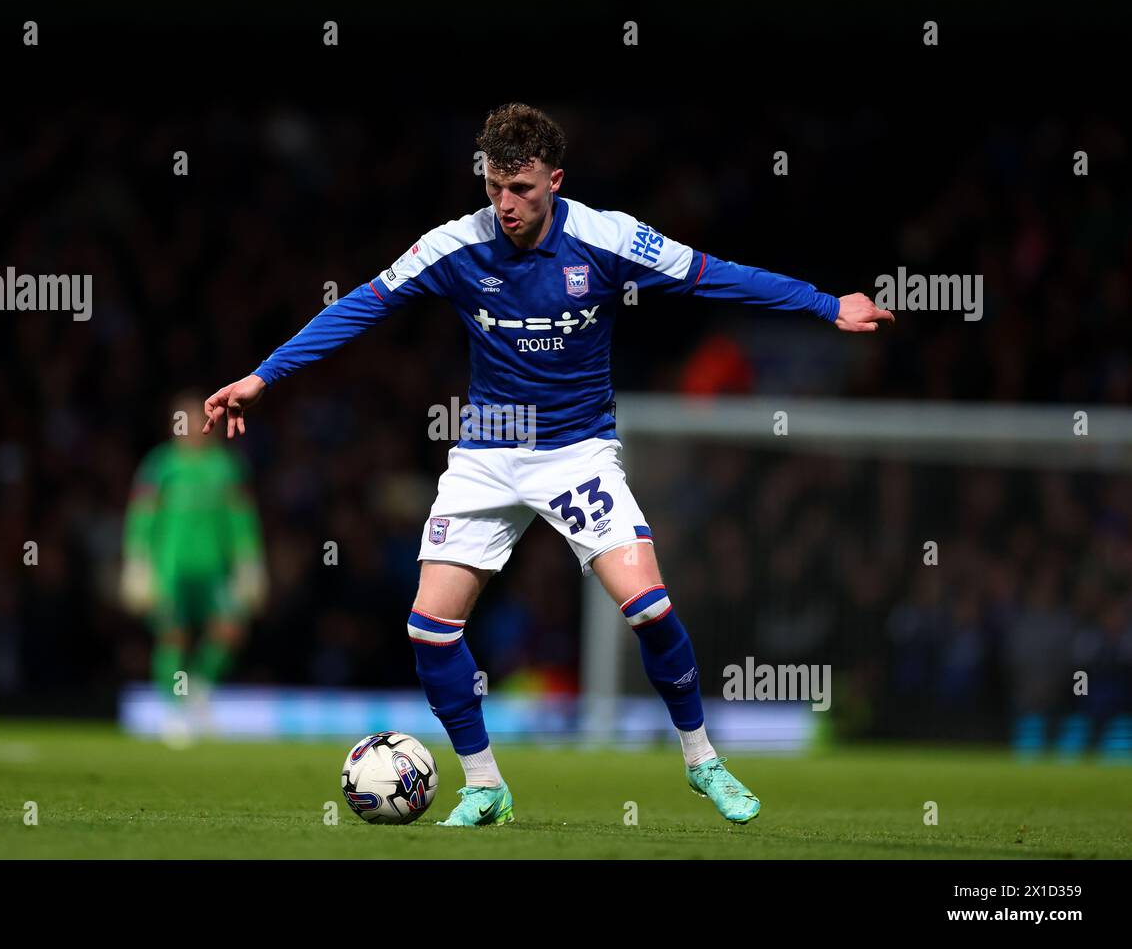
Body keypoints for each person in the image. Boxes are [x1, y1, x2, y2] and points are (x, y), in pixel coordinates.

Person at [202, 103, 893, 824]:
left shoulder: (608, 236)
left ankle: (702, 761)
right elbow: (360, 307)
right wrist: (261, 376)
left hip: (577, 452)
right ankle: (483, 784)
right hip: (487, 452)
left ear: (554, 181)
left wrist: (824, 304)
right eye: (495, 187)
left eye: (522, 189)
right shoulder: (454, 245)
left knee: (649, 607)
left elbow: (715, 275)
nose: (505, 204)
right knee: (429, 629)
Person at [121, 391, 268, 745]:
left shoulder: (225, 466)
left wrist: (250, 562)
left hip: (215, 570)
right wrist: (136, 561)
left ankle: (198, 690)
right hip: (169, 569)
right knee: (173, 636)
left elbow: (241, 518)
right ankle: (174, 711)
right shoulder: (161, 465)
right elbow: (142, 516)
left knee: (230, 630)